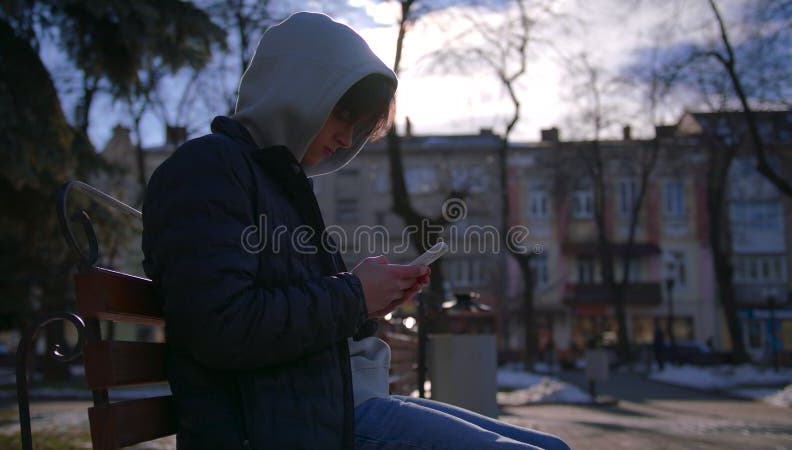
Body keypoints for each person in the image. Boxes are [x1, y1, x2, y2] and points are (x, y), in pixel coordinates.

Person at [142, 12, 569, 450]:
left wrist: (365, 301)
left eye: (359, 125)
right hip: (280, 429)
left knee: (555, 446)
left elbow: (283, 316)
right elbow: (221, 327)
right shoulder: (207, 169)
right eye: (341, 115)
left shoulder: (281, 187)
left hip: (320, 410)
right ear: (295, 90)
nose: (347, 139)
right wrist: (353, 295)